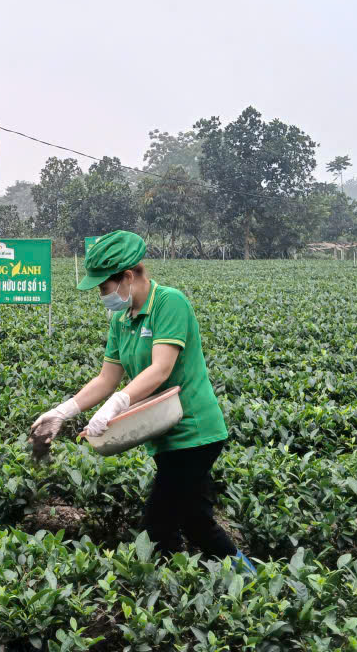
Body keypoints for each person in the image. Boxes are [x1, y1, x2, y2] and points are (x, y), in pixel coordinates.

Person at [30, 230, 250, 566]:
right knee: (196, 521)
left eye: (104, 287)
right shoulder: (122, 320)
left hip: (194, 432)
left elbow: (161, 369)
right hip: (164, 434)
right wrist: (64, 411)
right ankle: (241, 585)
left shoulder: (169, 303)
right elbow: (107, 378)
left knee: (156, 531)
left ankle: (178, 595)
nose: (102, 295)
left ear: (128, 277)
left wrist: (118, 404)